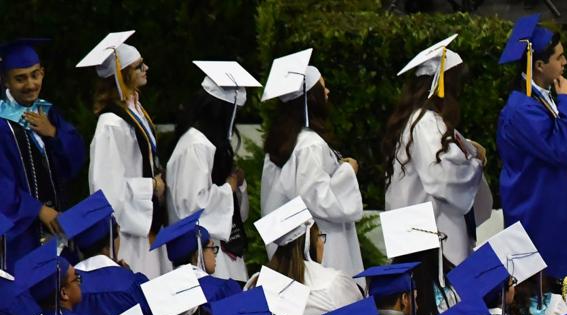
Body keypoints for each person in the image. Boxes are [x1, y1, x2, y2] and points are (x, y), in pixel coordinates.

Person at [496, 15, 567, 282]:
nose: (565, 63)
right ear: (539, 65)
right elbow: (564, 151)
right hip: (537, 214)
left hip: (552, 209)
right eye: (558, 58)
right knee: (543, 294)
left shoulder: (537, 97)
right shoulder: (521, 109)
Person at [387, 39, 490, 268]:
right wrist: (475, 162)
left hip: (425, 229)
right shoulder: (425, 122)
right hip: (432, 231)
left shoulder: (422, 121)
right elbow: (442, 177)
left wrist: (468, 148)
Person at [261, 55, 363, 274]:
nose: (328, 93)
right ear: (311, 99)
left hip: (292, 252)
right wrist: (348, 170)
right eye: (322, 88)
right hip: (322, 248)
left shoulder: (280, 144)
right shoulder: (309, 145)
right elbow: (318, 199)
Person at [84, 35, 169, 278]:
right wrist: (150, 186)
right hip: (128, 231)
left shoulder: (136, 110)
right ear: (121, 75)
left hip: (147, 222)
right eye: (139, 65)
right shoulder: (110, 123)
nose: (146, 68)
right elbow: (106, 187)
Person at [0, 39, 86, 261]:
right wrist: (36, 209)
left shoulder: (48, 112)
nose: (30, 84)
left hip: (58, 228)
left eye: (34, 75)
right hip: (22, 237)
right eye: (20, 78)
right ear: (5, 81)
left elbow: (75, 159)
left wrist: (55, 134)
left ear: (43, 73)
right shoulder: (2, 123)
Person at [165, 67, 251, 281]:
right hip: (202, 251)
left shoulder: (206, 143)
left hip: (221, 248)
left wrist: (236, 186)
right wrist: (228, 188)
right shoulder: (196, 144)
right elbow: (192, 204)